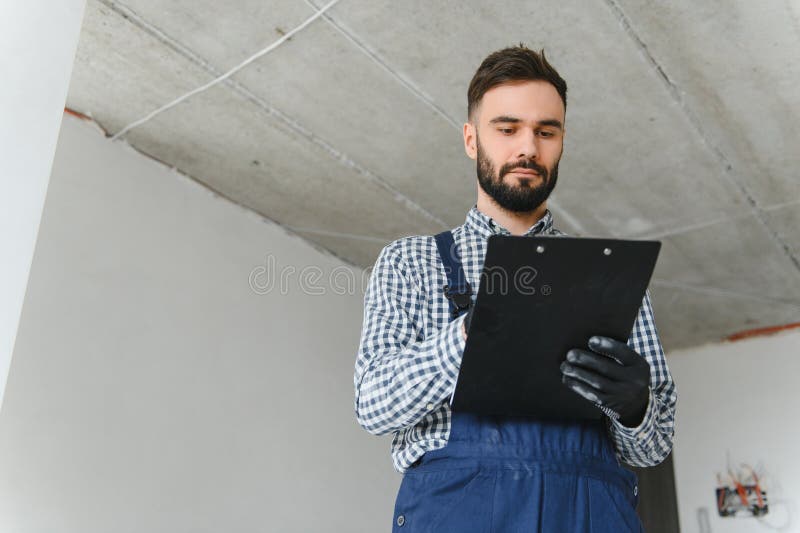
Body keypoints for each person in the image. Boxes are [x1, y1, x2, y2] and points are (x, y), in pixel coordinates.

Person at [354, 44, 677, 532]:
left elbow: (653, 447)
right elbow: (373, 405)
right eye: (507, 129)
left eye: (546, 132)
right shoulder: (410, 263)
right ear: (471, 139)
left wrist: (636, 408)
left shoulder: (611, 276)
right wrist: (467, 336)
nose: (528, 147)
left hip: (588, 515)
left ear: (562, 141)